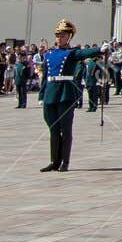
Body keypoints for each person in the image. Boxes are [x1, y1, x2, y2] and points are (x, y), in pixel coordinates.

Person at [38, 20, 105, 173]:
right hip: (50, 93)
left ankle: (65, 162)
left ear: (69, 37)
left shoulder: (71, 53)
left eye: (62, 36)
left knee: (65, 129)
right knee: (53, 129)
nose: (59, 38)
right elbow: (44, 77)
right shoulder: (48, 55)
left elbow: (85, 53)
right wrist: (42, 95)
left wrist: (101, 49)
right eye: (57, 36)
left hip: (65, 93)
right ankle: (54, 161)